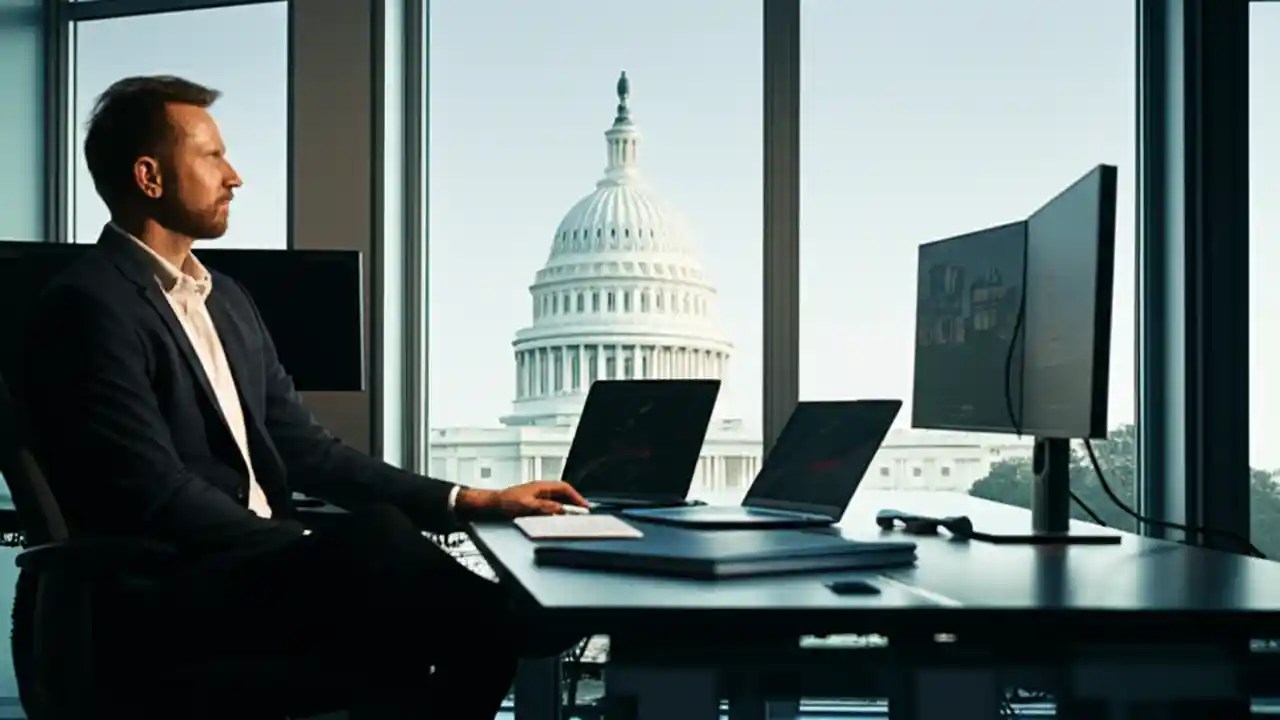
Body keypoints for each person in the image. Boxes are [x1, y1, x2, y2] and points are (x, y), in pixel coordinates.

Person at [22, 75, 586, 718]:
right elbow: (152, 491)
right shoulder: (89, 306)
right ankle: (515, 615)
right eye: (212, 156)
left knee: (466, 640)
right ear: (150, 177)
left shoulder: (226, 300)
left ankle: (503, 620)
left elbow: (310, 452)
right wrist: (299, 545)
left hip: (261, 571)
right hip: (174, 586)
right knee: (386, 553)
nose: (234, 176)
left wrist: (469, 501)